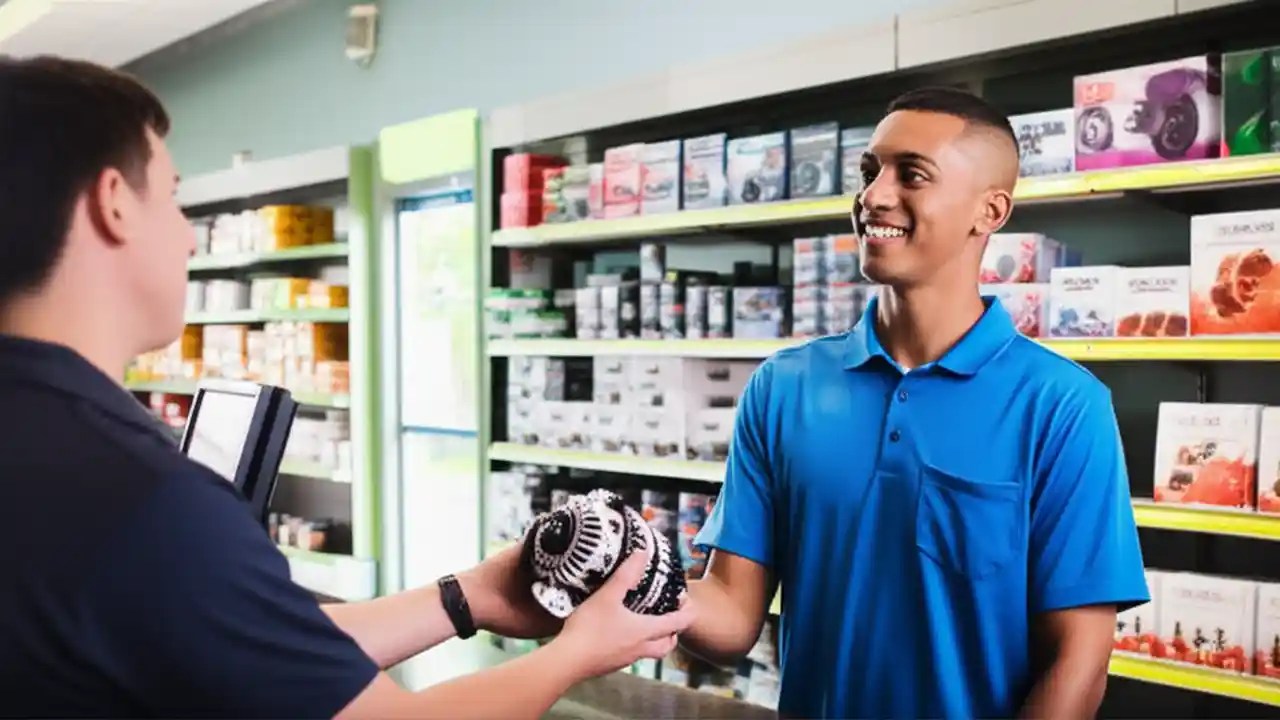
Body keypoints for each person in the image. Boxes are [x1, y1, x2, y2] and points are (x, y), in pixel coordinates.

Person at [0, 55, 692, 719]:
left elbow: (248, 651)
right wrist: (577, 652)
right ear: (113, 203)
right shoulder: (143, 500)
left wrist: (469, 596)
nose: (187, 239)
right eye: (175, 199)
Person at [679, 87, 1149, 719]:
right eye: (870, 171)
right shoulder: (784, 387)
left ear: (990, 211)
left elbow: (1079, 663)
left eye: (912, 174)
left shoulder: (1062, 407)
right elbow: (732, 619)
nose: (873, 195)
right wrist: (630, 578)